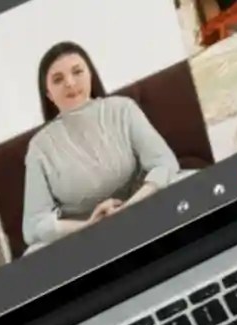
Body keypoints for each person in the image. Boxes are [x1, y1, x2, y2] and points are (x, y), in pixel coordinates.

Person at [22, 42, 180, 249]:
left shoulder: (123, 109)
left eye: (77, 72)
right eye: (58, 79)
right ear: (49, 94)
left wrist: (127, 209)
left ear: (90, 75)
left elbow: (164, 163)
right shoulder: (39, 147)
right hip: (84, 237)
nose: (70, 83)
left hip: (142, 206)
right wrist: (90, 225)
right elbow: (34, 225)